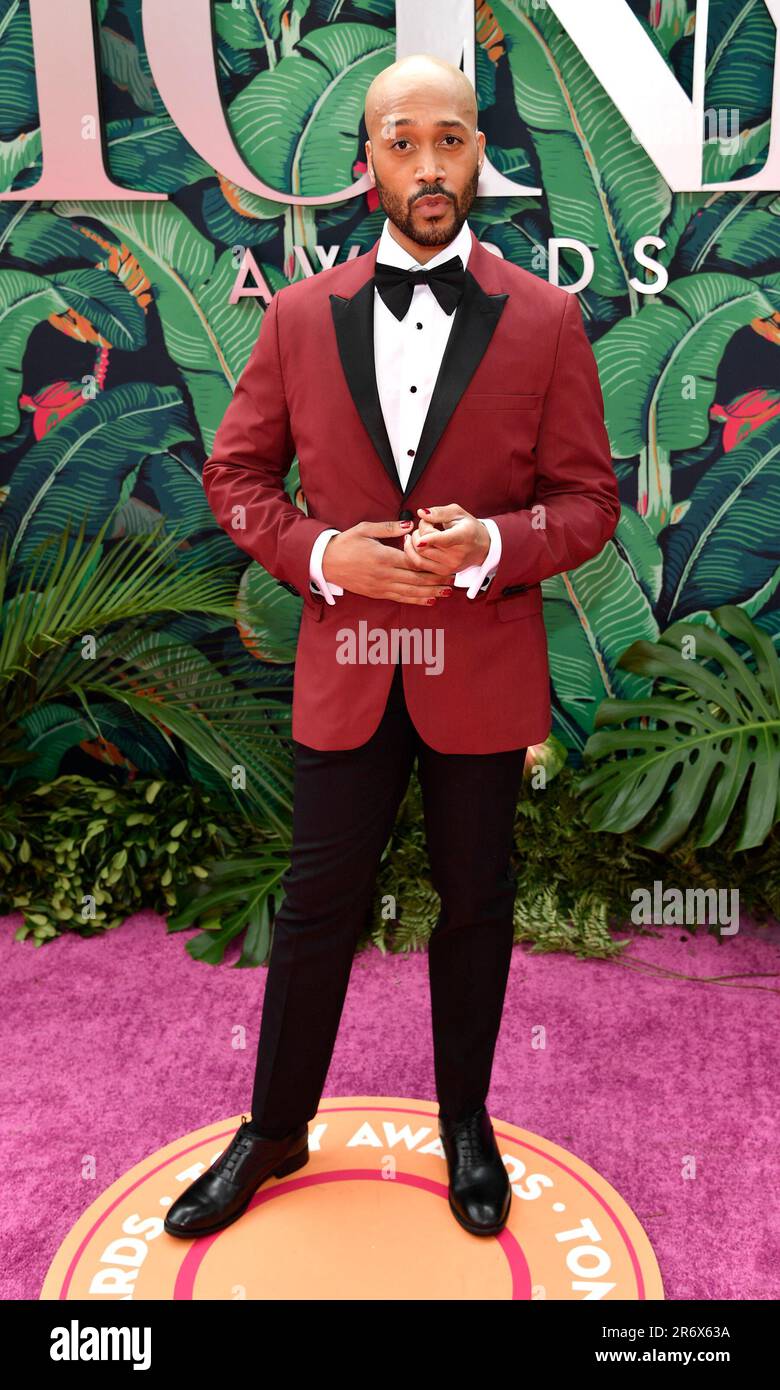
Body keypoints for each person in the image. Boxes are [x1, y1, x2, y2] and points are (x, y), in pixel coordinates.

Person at [165, 53, 620, 1242]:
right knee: (317, 907)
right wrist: (326, 557)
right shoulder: (301, 318)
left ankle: (464, 1121)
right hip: (348, 665)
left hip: (482, 670)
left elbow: (587, 505)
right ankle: (273, 1128)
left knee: (477, 903)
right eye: (402, 140)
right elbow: (237, 477)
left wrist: (489, 545)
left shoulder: (550, 318)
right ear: (364, 164)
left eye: (451, 139)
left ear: (481, 155)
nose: (429, 164)